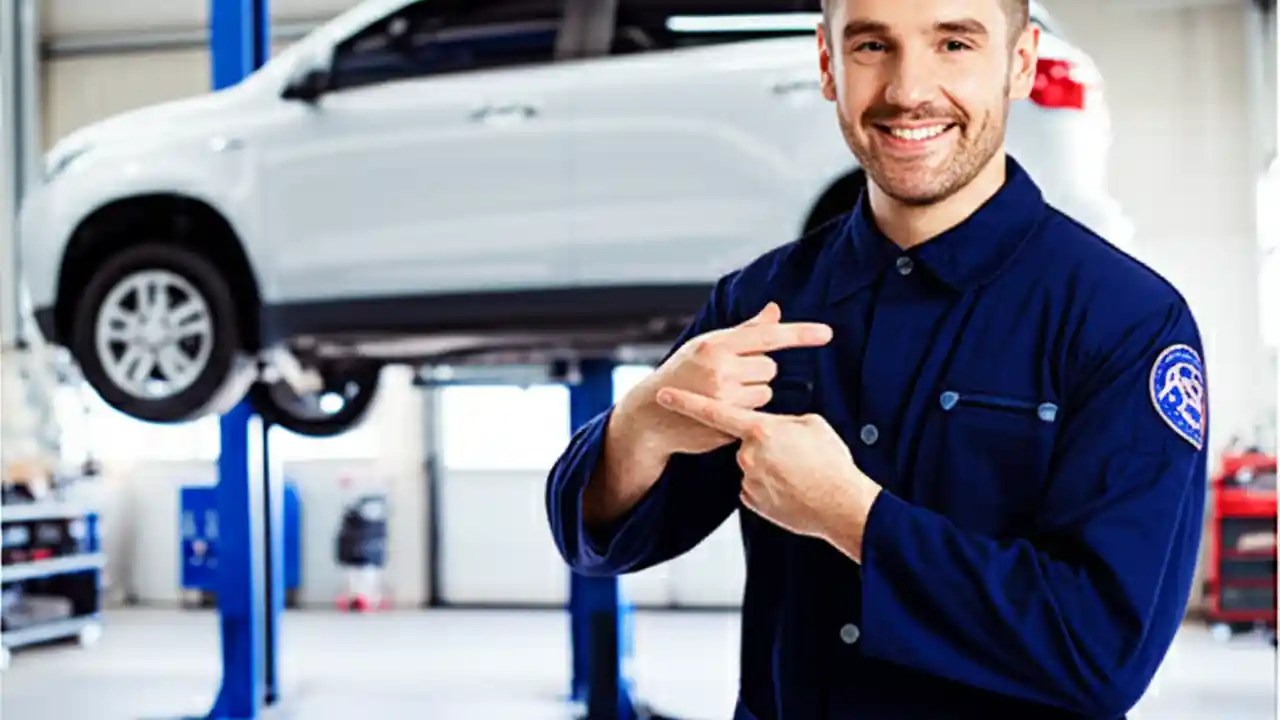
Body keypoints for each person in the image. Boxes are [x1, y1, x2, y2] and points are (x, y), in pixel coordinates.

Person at [545, 0, 1208, 717]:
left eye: (954, 43)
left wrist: (854, 518)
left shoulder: (1126, 321)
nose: (907, 90)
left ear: (1019, 64)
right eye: (871, 46)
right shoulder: (763, 297)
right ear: (829, 65)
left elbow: (1101, 653)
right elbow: (599, 543)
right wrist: (642, 422)